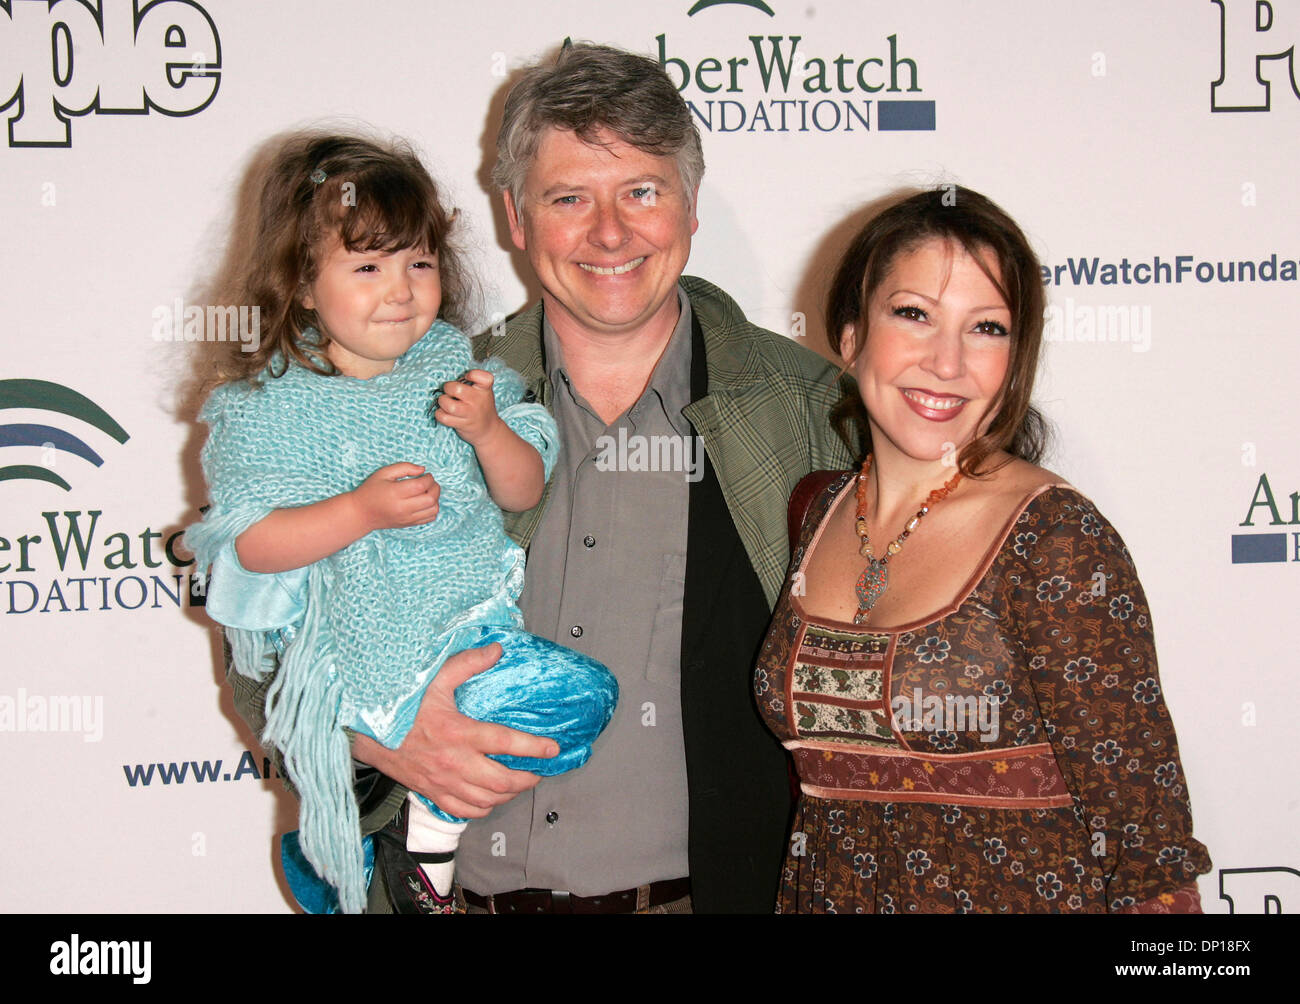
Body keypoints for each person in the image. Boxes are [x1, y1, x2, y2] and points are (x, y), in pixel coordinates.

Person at [297, 42, 857, 914]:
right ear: (516, 218)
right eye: (569, 198)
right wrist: (378, 738)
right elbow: (265, 640)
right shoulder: (406, 399)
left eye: (642, 191)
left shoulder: (809, 415)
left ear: (691, 206)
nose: (609, 234)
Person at [187, 133, 617, 915]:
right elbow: (252, 543)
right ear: (303, 285)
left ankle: (410, 837)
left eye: (419, 263)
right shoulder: (269, 405)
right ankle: (375, 852)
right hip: (353, 656)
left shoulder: (454, 364)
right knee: (400, 750)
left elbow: (523, 491)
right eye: (366, 266)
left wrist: (491, 431)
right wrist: (360, 511)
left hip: (471, 629)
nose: (401, 289)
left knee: (585, 698)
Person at [755, 185, 1211, 913]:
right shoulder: (822, 512)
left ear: (1016, 356)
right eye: (913, 315)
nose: (947, 361)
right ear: (848, 335)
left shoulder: (1054, 538)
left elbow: (1146, 844)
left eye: (987, 328)